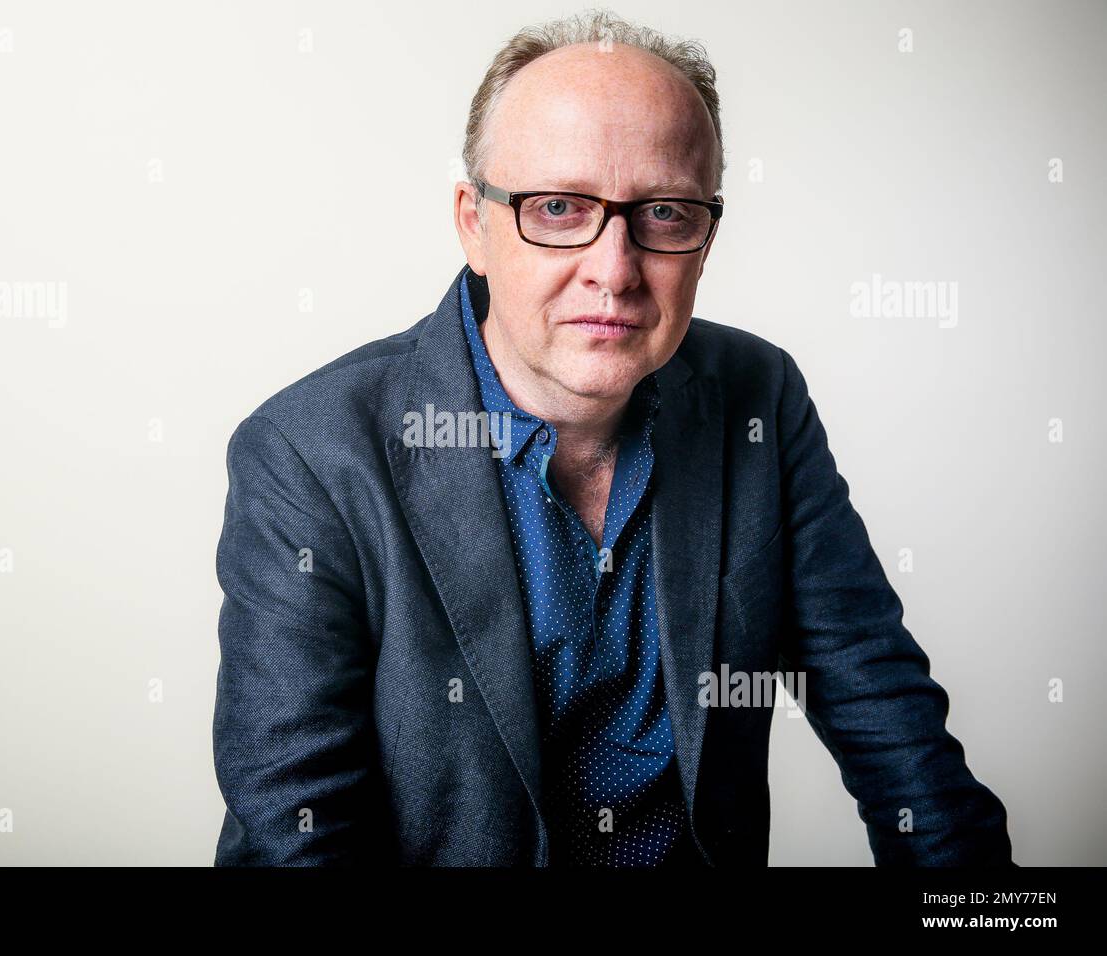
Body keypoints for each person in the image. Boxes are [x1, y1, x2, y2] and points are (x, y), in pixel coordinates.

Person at [212, 10, 1013, 866]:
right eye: (558, 207)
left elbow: (887, 717)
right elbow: (297, 831)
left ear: (706, 235)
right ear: (472, 224)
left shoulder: (758, 397)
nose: (615, 268)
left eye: (663, 212)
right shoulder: (309, 453)